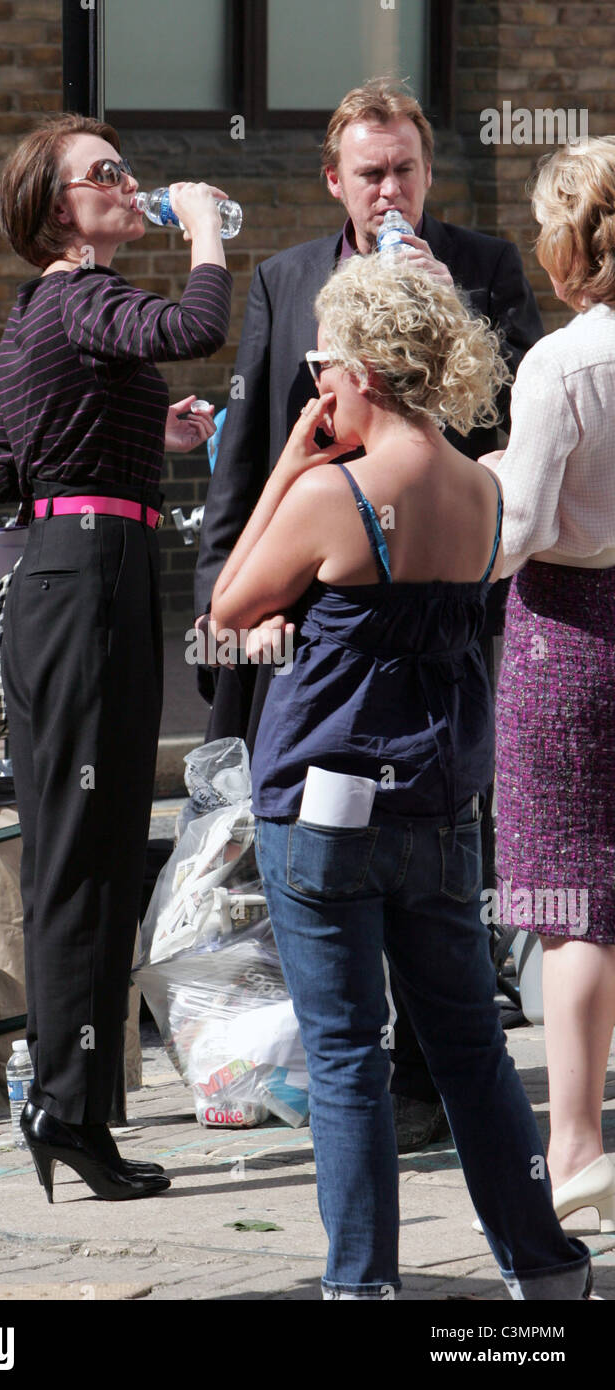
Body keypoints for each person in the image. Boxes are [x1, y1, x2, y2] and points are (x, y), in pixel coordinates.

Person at [209, 253, 592, 1299]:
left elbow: (229, 609)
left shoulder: (331, 492)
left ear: (363, 371)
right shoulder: (480, 487)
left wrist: (287, 464)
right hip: (439, 798)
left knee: (344, 1055)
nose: (316, 386)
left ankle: (361, 1283)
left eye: (321, 366)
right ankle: (544, 1265)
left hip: (322, 803)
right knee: (469, 1045)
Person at [195, 78, 545, 1152]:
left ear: (428, 174)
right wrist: (225, 620)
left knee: (433, 844)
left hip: (432, 613)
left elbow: (517, 430)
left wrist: (455, 318)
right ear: (333, 180)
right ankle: (310, 1064)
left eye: (404, 170)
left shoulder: (481, 266)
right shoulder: (285, 279)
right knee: (315, 857)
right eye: (369, 172)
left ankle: (420, 1080)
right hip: (307, 610)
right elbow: (252, 455)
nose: (388, 189)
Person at [0, 113, 232, 1202]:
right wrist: (206, 228)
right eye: (106, 174)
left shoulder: (41, 311)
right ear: (58, 210)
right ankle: (65, 1106)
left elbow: (8, 457)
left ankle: (73, 1106)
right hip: (88, 580)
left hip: (70, 569)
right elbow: (195, 325)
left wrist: (142, 436)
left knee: (82, 849)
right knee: (88, 853)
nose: (131, 186)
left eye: (127, 170)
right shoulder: (80, 291)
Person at [484, 137, 615, 1233]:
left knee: (574, 903)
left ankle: (574, 1147)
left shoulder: (562, 363)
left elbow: (516, 528)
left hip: (568, 634)